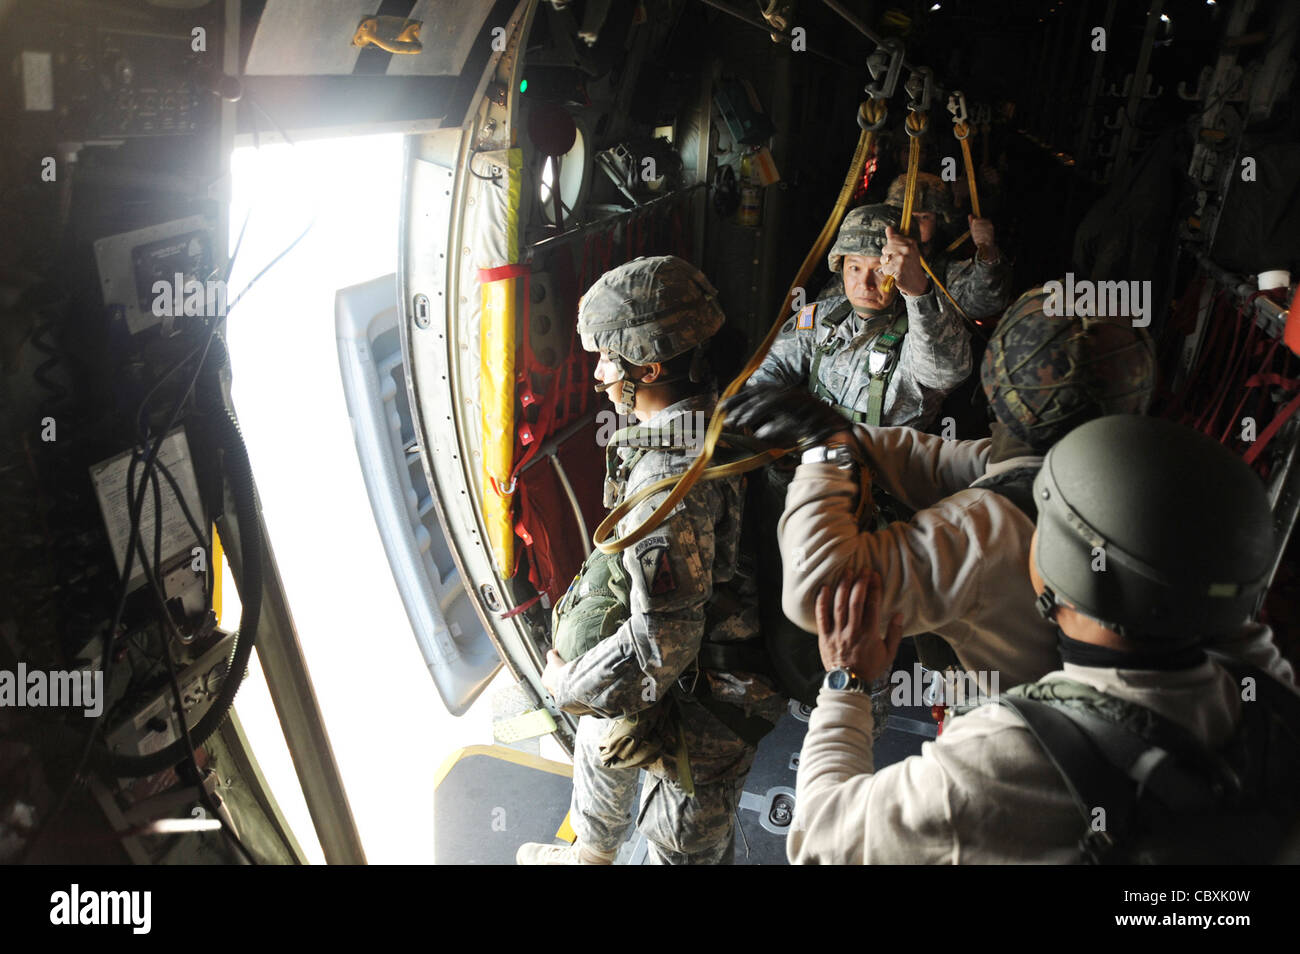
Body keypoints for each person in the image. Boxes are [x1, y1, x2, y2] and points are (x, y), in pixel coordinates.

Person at [787, 414, 1297, 864]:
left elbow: (823, 837)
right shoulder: (1266, 690)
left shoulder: (1007, 758)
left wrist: (847, 680)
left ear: (1072, 570)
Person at [728, 285, 1164, 687]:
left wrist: (825, 455)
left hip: (1020, 731)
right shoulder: (1111, 475)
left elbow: (818, 590)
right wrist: (842, 433)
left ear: (992, 378)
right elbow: (950, 464)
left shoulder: (985, 530)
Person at [516, 256, 784, 866]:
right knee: (599, 734)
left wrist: (566, 685)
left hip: (716, 694)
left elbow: (661, 646)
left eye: (607, 360)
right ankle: (592, 856)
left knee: (680, 845)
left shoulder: (668, 482)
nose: (599, 375)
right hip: (701, 657)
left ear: (649, 366)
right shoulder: (716, 411)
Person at [747, 204, 970, 431]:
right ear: (841, 267)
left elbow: (944, 375)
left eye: (879, 270)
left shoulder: (925, 327)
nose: (865, 284)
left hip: (888, 453)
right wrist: (762, 410)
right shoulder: (821, 316)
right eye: (855, 268)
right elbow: (773, 367)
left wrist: (918, 291)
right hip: (818, 446)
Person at [883, 170, 1012, 325]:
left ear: (938, 221)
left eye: (924, 217)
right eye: (907, 215)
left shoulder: (945, 273)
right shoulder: (871, 259)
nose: (914, 223)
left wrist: (988, 251)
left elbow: (985, 302)